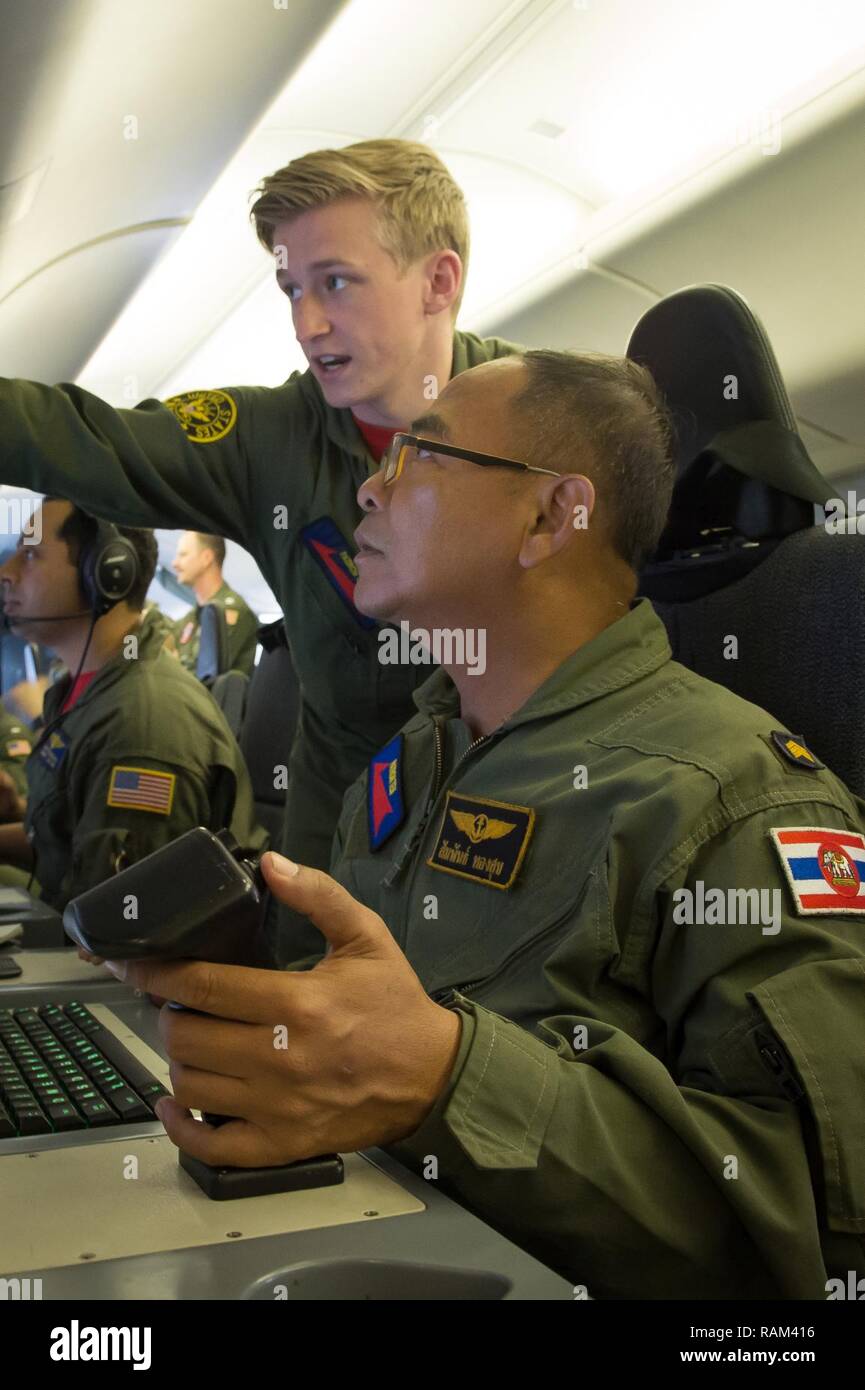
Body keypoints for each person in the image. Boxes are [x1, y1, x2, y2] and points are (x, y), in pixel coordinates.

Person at [109, 351, 865, 1299]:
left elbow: (814, 1237)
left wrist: (446, 1079)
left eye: (419, 455)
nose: (368, 487)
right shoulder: (410, 760)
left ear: (550, 517)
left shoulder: (730, 800)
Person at [0, 139, 521, 962]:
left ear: (437, 281)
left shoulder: (542, 425)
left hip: (510, 820)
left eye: (336, 283)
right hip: (341, 831)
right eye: (291, 290)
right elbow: (87, 440)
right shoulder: (267, 440)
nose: (307, 323)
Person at [0, 499, 268, 911]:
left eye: (31, 554)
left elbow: (121, 929)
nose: (7, 572)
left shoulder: (141, 723)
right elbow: (71, 843)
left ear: (106, 573)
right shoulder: (84, 692)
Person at [171, 532, 258, 676]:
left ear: (206, 558)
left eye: (183, 555)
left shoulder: (232, 610)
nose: (175, 563)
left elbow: (205, 675)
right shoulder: (191, 618)